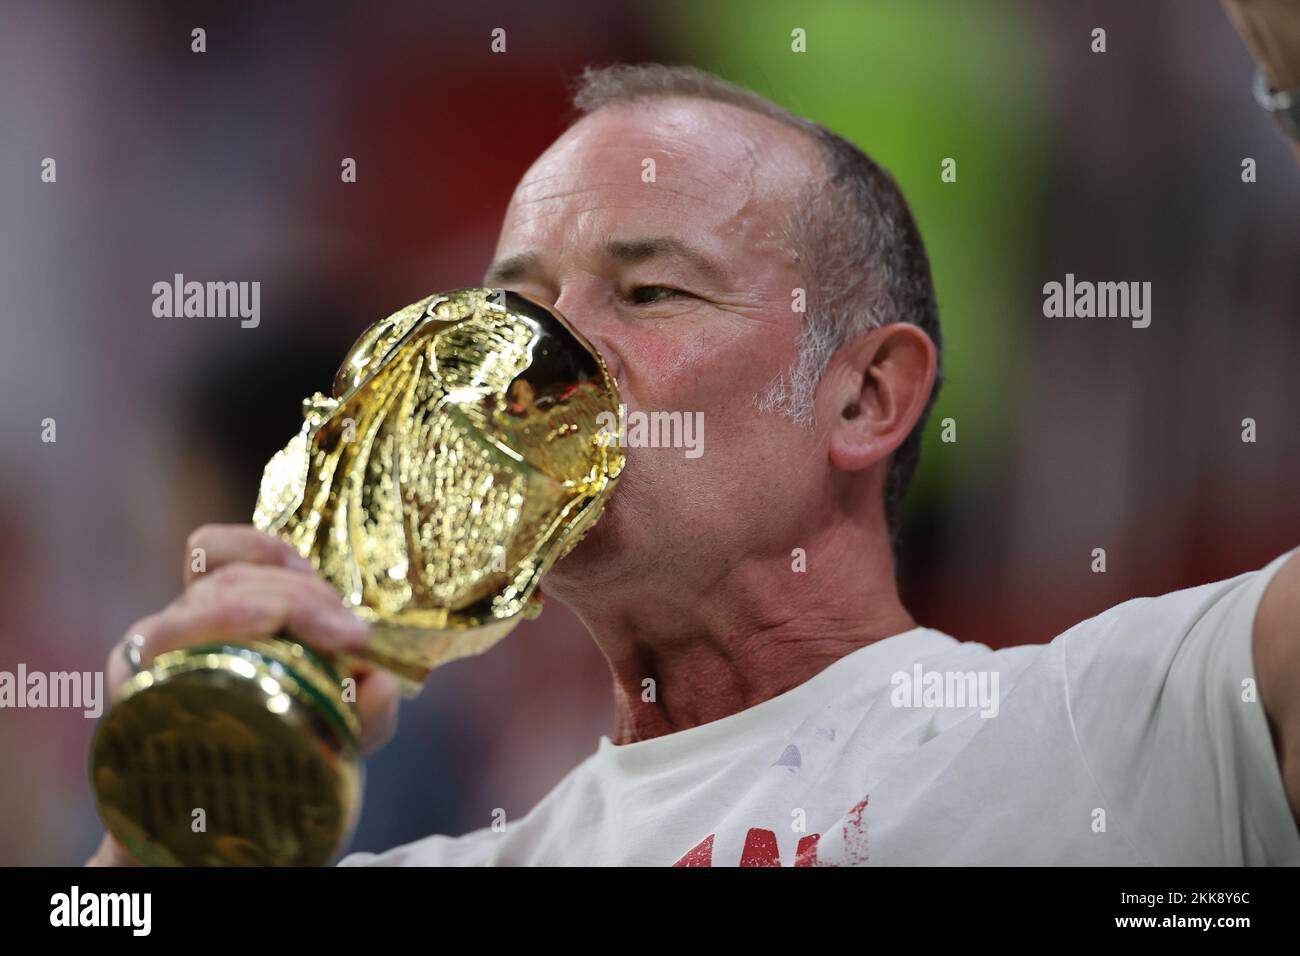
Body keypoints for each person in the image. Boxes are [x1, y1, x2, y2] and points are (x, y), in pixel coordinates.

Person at [89, 64, 1300, 867]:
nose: (533, 367)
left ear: (865, 393)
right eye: (512, 309)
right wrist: (179, 813)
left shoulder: (1135, 722)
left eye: (648, 290)